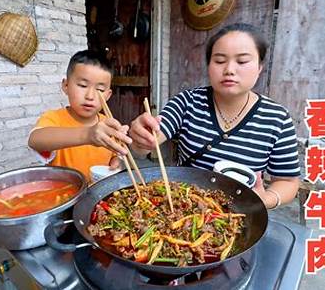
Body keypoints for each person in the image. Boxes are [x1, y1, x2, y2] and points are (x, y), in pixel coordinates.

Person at [129, 23, 300, 209]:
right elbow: (154, 134)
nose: (229, 70)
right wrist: (142, 138)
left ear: (259, 67)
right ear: (208, 65)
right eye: (219, 61)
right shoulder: (187, 102)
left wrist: (265, 199)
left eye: (242, 61)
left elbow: (288, 181)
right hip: (182, 207)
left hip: (239, 213)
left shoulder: (277, 118)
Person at [28, 50, 131, 181]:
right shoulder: (54, 118)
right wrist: (88, 135)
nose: (90, 96)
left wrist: (116, 162)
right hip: (66, 195)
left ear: (108, 95)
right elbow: (34, 140)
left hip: (99, 195)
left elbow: (115, 156)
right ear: (66, 85)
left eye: (99, 90)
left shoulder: (108, 124)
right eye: (82, 85)